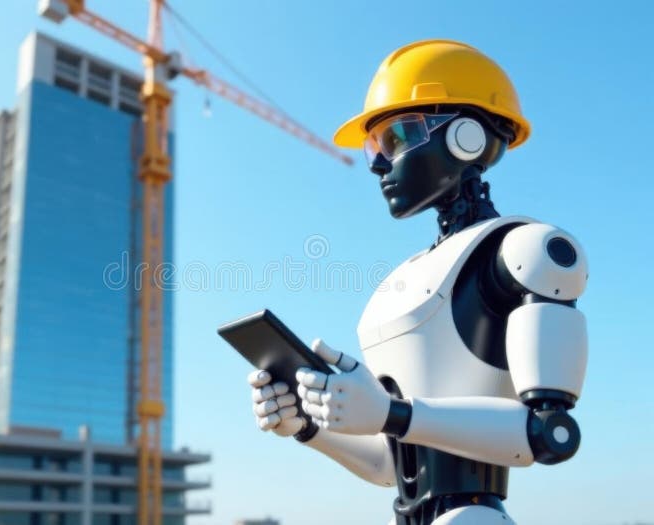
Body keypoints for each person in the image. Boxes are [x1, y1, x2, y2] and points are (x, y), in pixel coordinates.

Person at [247, 40, 589, 525]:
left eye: (395, 139)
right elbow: (392, 467)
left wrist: (393, 415)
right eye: (373, 146)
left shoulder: (527, 252)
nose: (378, 163)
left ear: (466, 136)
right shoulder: (407, 277)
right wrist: (306, 425)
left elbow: (548, 434)